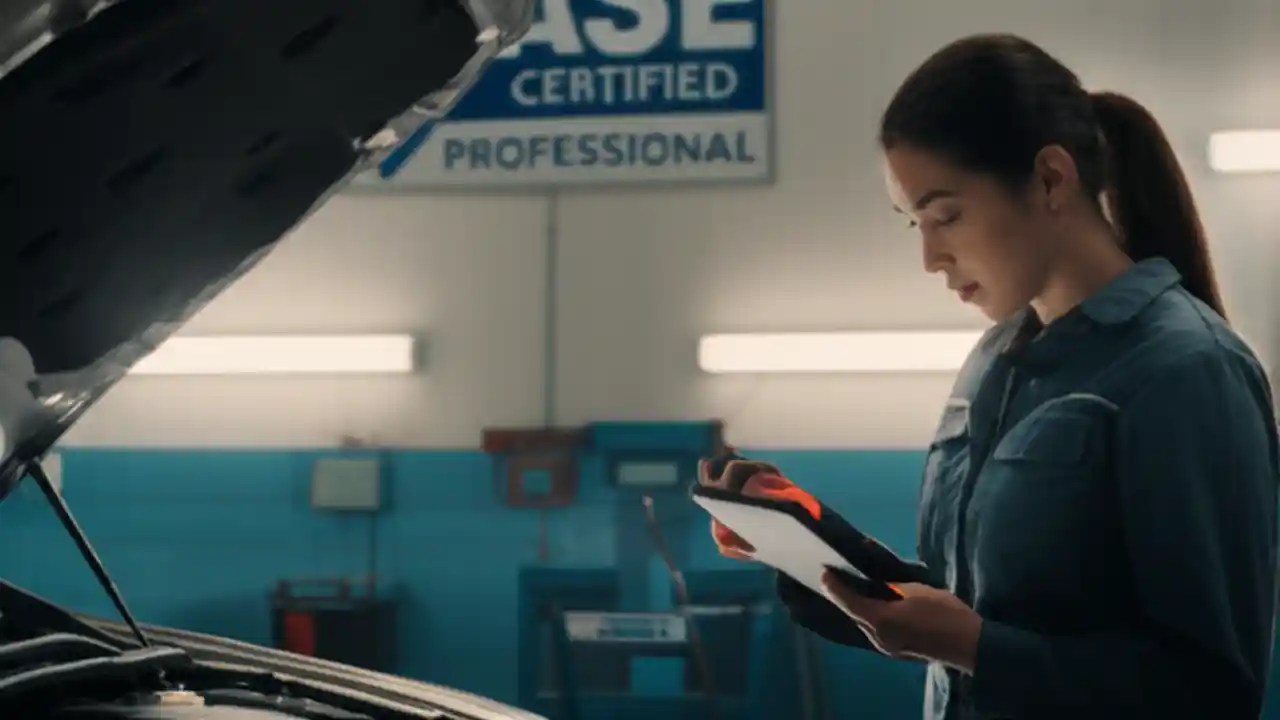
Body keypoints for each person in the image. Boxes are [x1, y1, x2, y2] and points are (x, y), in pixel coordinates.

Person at [705, 33, 1279, 719]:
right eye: (913, 222)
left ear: (1050, 180)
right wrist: (810, 541)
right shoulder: (995, 362)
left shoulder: (1186, 371)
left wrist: (979, 648)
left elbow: (1211, 694)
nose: (930, 257)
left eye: (946, 215)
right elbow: (971, 610)